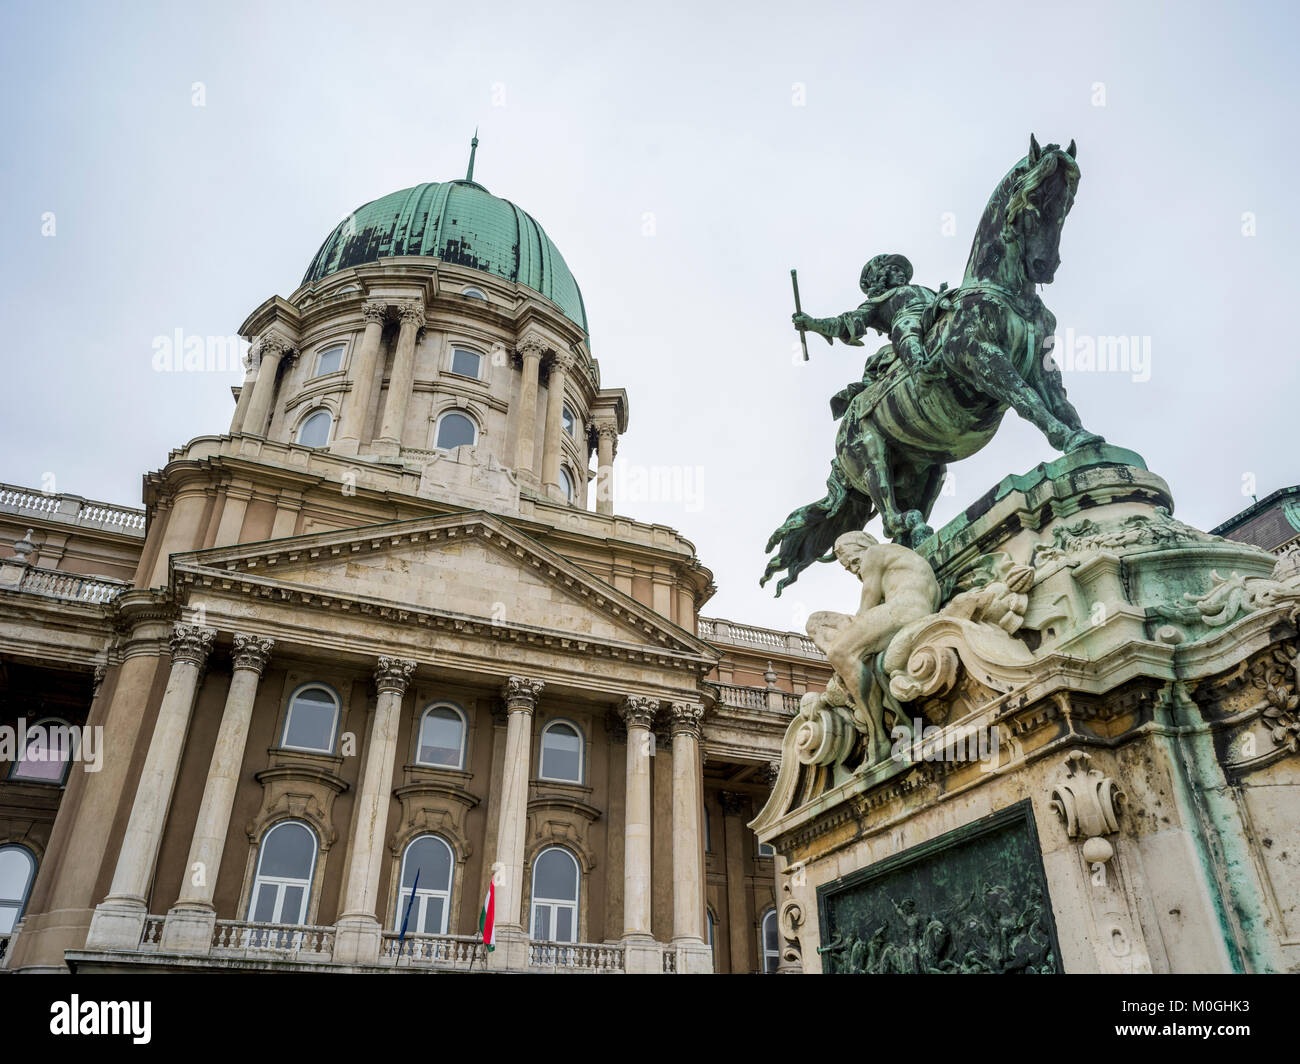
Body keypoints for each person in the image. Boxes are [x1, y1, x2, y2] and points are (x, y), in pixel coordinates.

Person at [793, 253, 942, 383]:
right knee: (906, 325)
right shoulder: (878, 303)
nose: (902, 274)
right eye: (895, 270)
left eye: (902, 271)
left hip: (938, 310)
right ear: (882, 276)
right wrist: (813, 324)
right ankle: (919, 371)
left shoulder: (923, 289)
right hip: (908, 322)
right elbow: (846, 322)